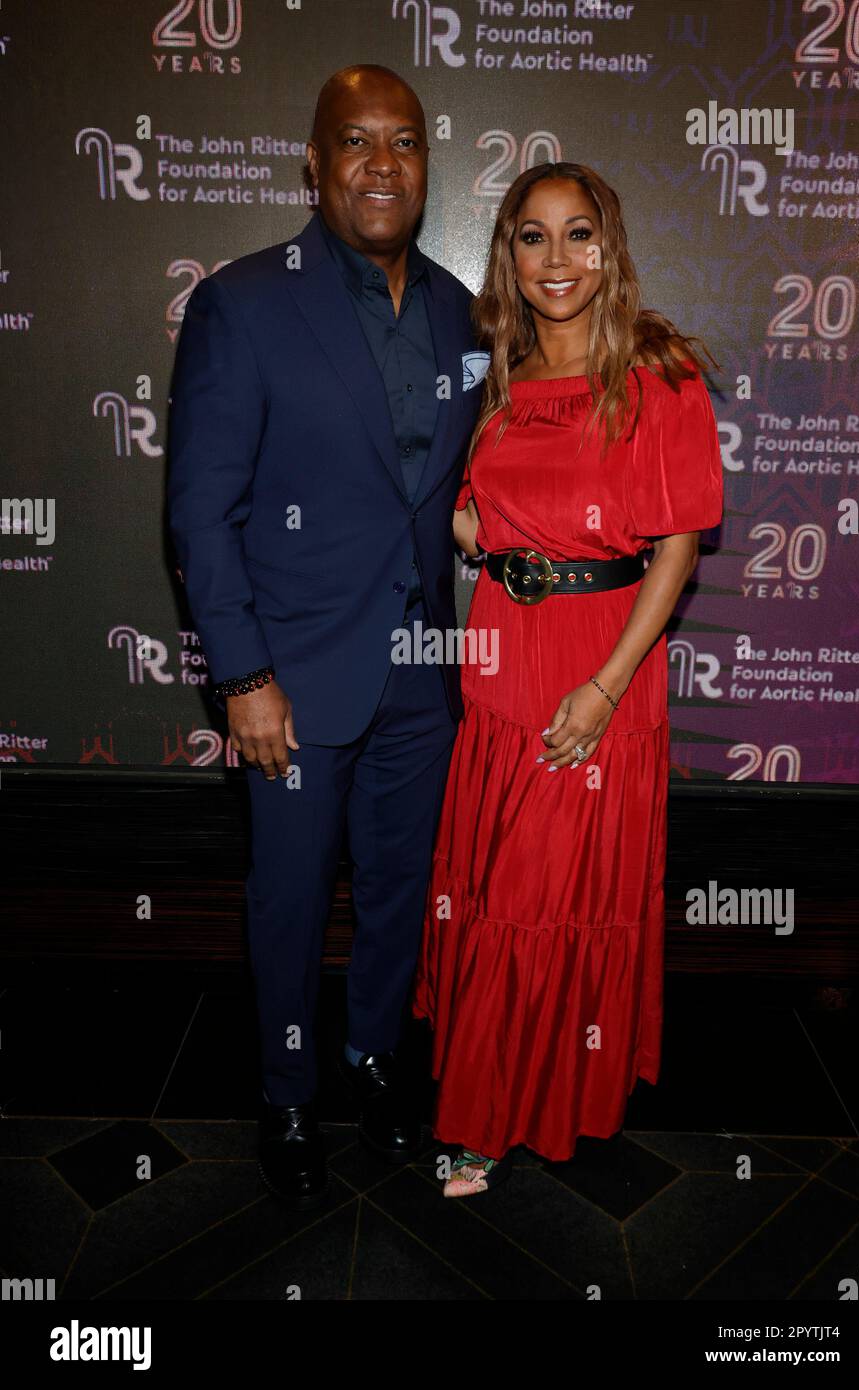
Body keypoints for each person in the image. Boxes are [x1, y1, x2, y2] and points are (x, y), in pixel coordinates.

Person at [167, 65, 484, 1207]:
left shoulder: (462, 310)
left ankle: (374, 1065)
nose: (382, 163)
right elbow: (201, 510)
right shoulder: (246, 301)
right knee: (290, 895)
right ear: (314, 163)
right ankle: (289, 1088)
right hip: (291, 675)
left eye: (403, 142)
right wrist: (242, 674)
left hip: (422, 679)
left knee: (401, 886)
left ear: (425, 164)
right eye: (355, 141)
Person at [412, 161, 724, 1196]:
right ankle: (516, 1086)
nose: (556, 258)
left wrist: (602, 686)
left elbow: (675, 548)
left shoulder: (657, 370)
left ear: (608, 248)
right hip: (500, 655)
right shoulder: (497, 374)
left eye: (577, 233)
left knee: (530, 897)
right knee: (497, 883)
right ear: (508, 254)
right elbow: (476, 512)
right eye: (533, 236)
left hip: (600, 659)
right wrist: (464, 529)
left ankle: (483, 1118)